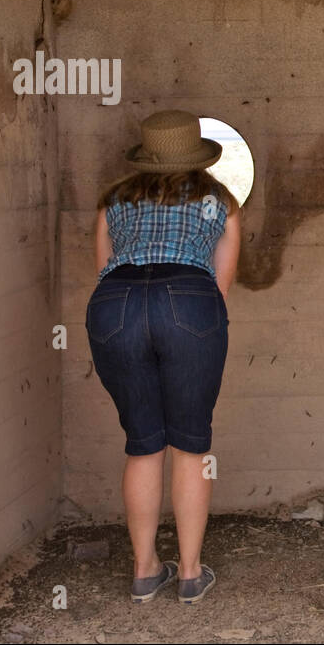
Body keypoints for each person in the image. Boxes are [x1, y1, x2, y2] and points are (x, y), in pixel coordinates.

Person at [85, 110, 241, 605]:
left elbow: (103, 269)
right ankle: (191, 574)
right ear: (196, 154)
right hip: (190, 300)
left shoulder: (113, 201)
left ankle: (145, 569)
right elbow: (221, 285)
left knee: (143, 442)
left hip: (116, 305)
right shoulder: (220, 201)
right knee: (191, 444)